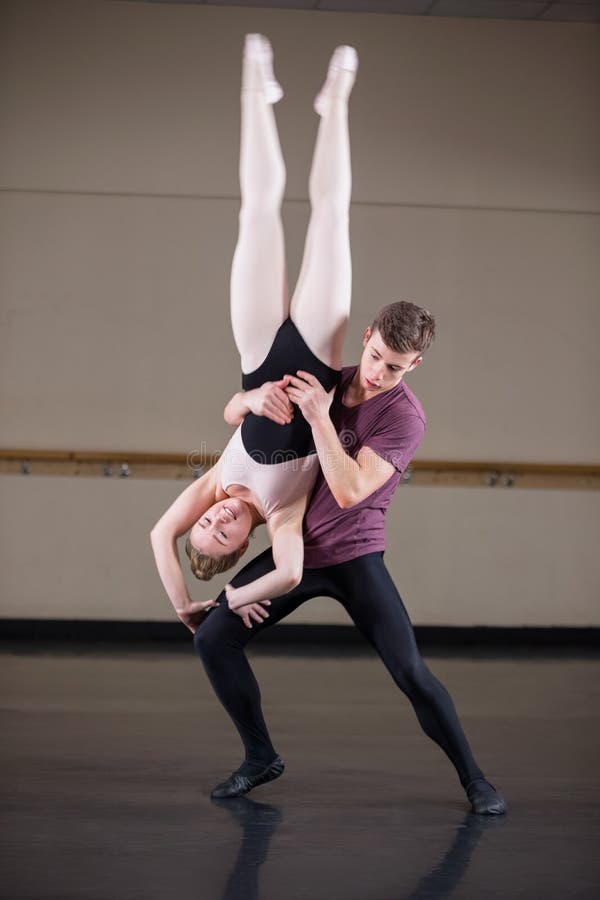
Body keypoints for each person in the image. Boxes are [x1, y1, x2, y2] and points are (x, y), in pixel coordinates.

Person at [195, 307, 506, 817]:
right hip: (296, 551)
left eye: (395, 367)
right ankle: (260, 756)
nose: (378, 372)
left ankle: (475, 780)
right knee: (212, 637)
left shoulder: (404, 417)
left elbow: (349, 491)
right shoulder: (325, 380)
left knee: (411, 672)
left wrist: (320, 417)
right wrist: (251, 399)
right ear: (366, 336)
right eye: (376, 356)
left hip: (355, 555)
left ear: (415, 365)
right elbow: (235, 411)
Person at [150, 37, 358, 629]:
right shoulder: (284, 512)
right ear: (243, 545)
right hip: (317, 353)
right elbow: (289, 574)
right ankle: (335, 105)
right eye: (223, 534)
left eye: (206, 523)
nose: (217, 520)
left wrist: (180, 605)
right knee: (331, 217)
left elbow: (160, 533)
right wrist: (227, 602)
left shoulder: (218, 483)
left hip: (258, 350)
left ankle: (255, 89)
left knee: (256, 210)